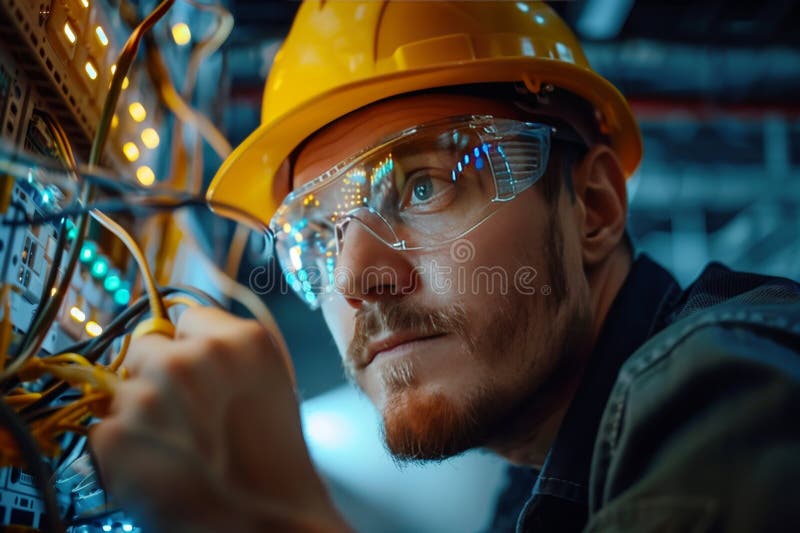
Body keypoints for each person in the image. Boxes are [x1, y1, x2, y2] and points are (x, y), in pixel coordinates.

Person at [89, 2, 800, 532]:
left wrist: (262, 519)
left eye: (424, 184)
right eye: (320, 235)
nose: (355, 276)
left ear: (593, 207)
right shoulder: (527, 499)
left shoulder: (740, 387)